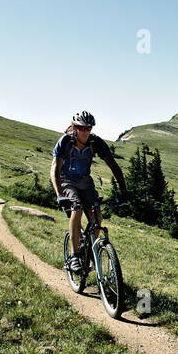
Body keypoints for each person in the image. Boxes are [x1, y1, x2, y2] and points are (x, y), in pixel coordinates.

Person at [50, 110, 128, 273]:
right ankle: (74, 256)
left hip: (85, 181)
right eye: (82, 128)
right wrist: (60, 195)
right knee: (76, 208)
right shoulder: (65, 142)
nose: (85, 131)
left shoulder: (95, 142)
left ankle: (88, 251)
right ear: (74, 128)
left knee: (97, 217)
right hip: (66, 181)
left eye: (88, 128)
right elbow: (54, 169)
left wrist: (123, 190)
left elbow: (114, 166)